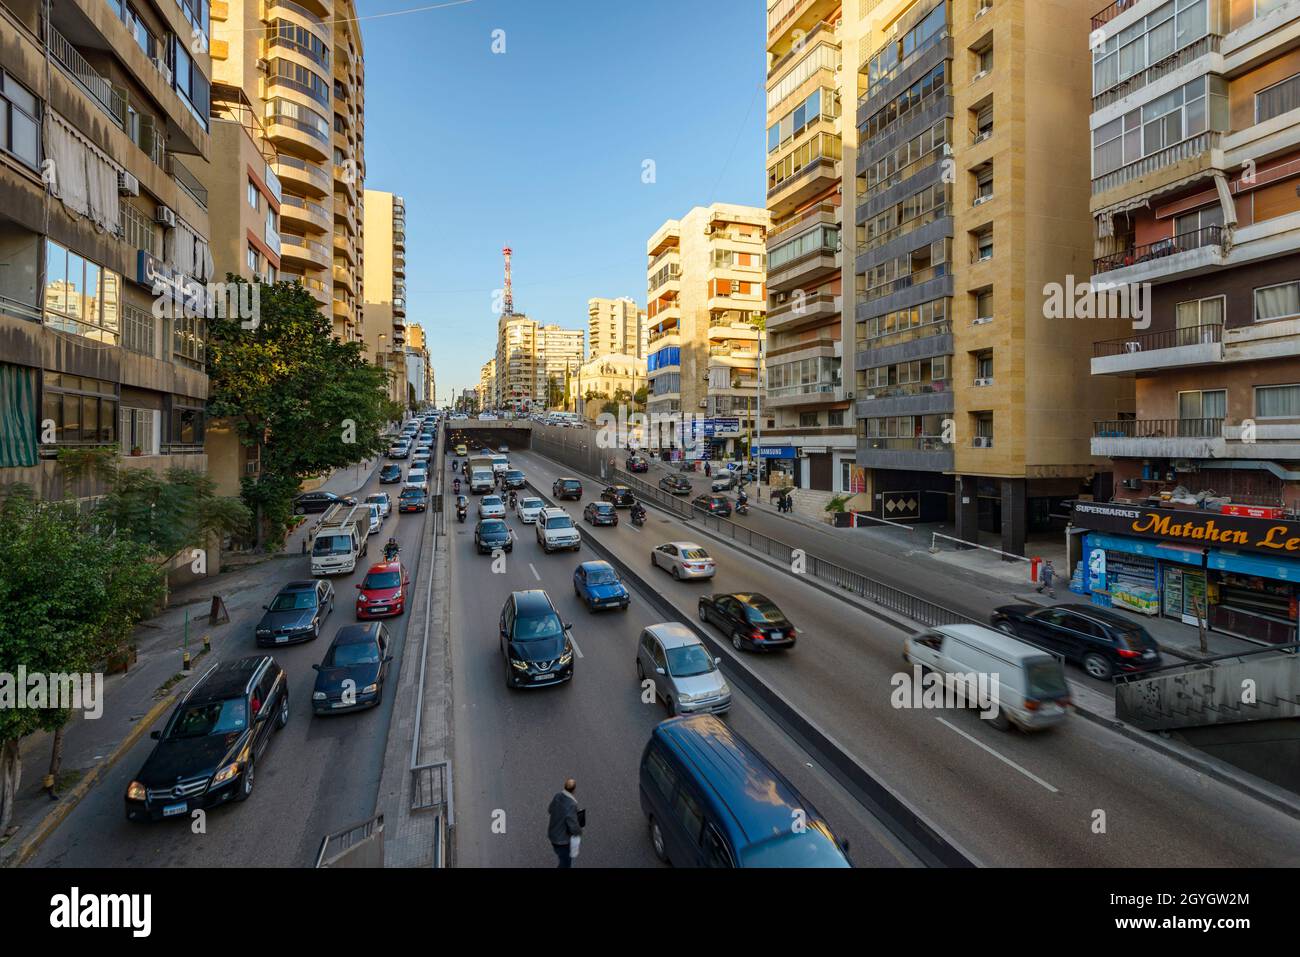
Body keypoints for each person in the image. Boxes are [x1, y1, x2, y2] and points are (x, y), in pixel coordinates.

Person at [547, 778, 583, 868]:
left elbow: (550, 810)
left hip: (552, 834)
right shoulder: (571, 804)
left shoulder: (557, 796)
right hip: (562, 841)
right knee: (566, 863)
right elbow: (573, 825)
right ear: (574, 790)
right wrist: (579, 831)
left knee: (562, 858)